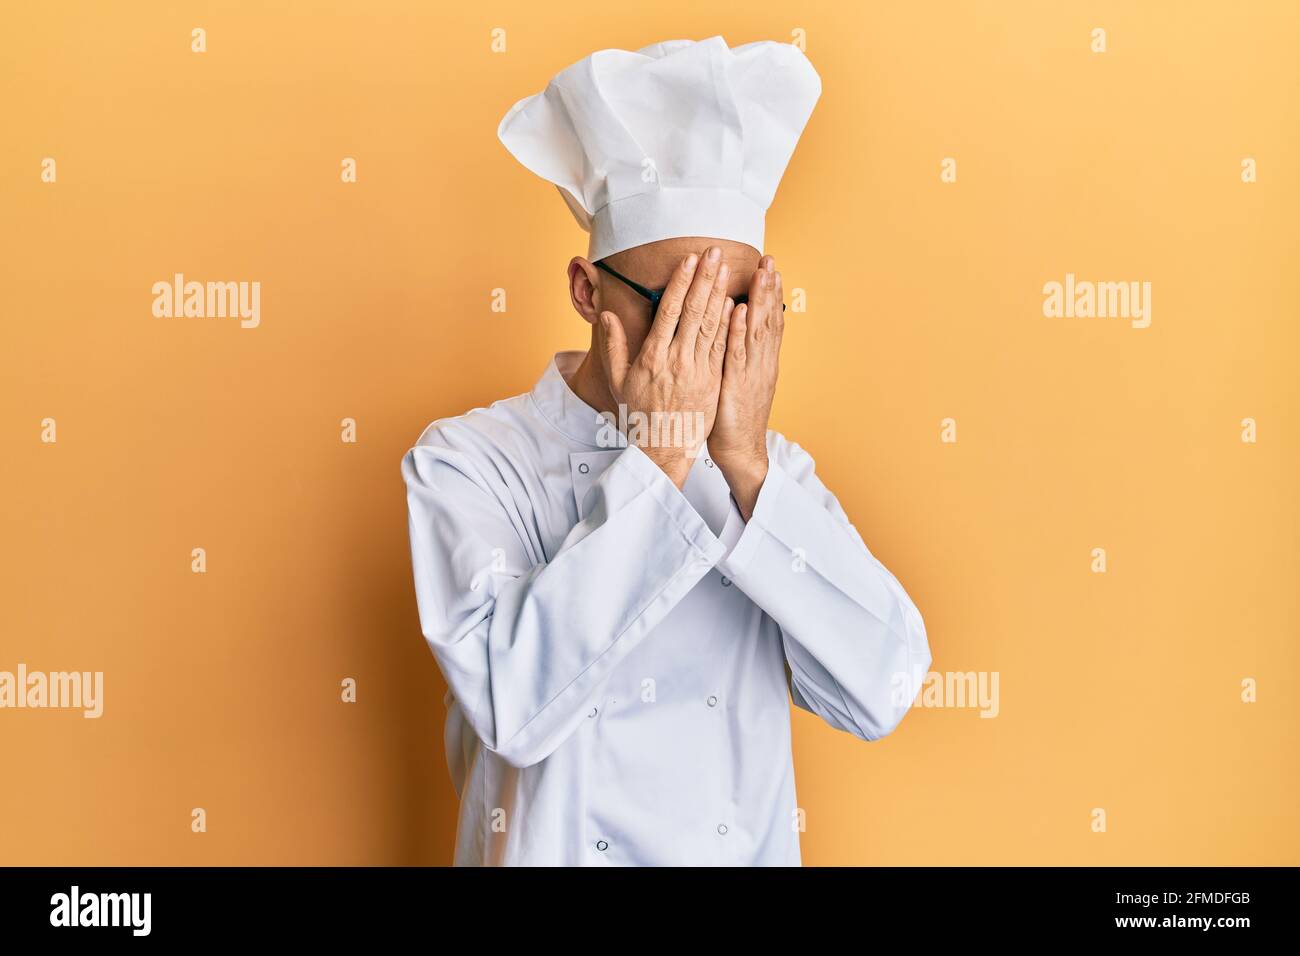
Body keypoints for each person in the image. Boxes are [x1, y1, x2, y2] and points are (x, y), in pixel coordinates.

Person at [401, 36, 932, 866]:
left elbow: (884, 690)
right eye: (676, 312)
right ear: (586, 291)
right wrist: (658, 462)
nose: (703, 350)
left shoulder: (771, 474)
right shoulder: (469, 463)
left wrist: (748, 469)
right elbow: (515, 710)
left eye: (733, 310)